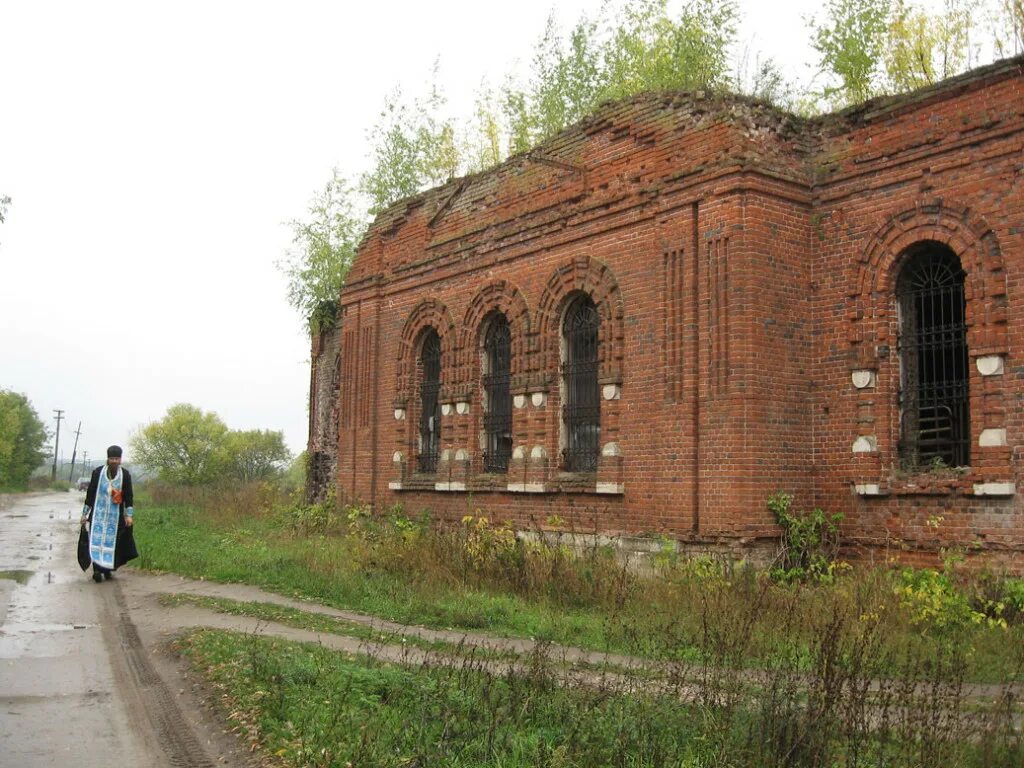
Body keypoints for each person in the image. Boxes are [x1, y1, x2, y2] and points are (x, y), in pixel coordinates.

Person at [79, 445, 138, 582]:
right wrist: (85, 514)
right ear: (108, 459)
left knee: (113, 543)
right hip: (97, 516)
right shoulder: (98, 473)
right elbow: (91, 494)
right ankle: (97, 570)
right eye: (112, 458)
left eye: (117, 459)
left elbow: (129, 496)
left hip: (115, 517)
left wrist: (129, 515)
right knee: (96, 542)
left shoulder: (125, 475)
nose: (114, 461)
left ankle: (107, 570)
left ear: (120, 460)